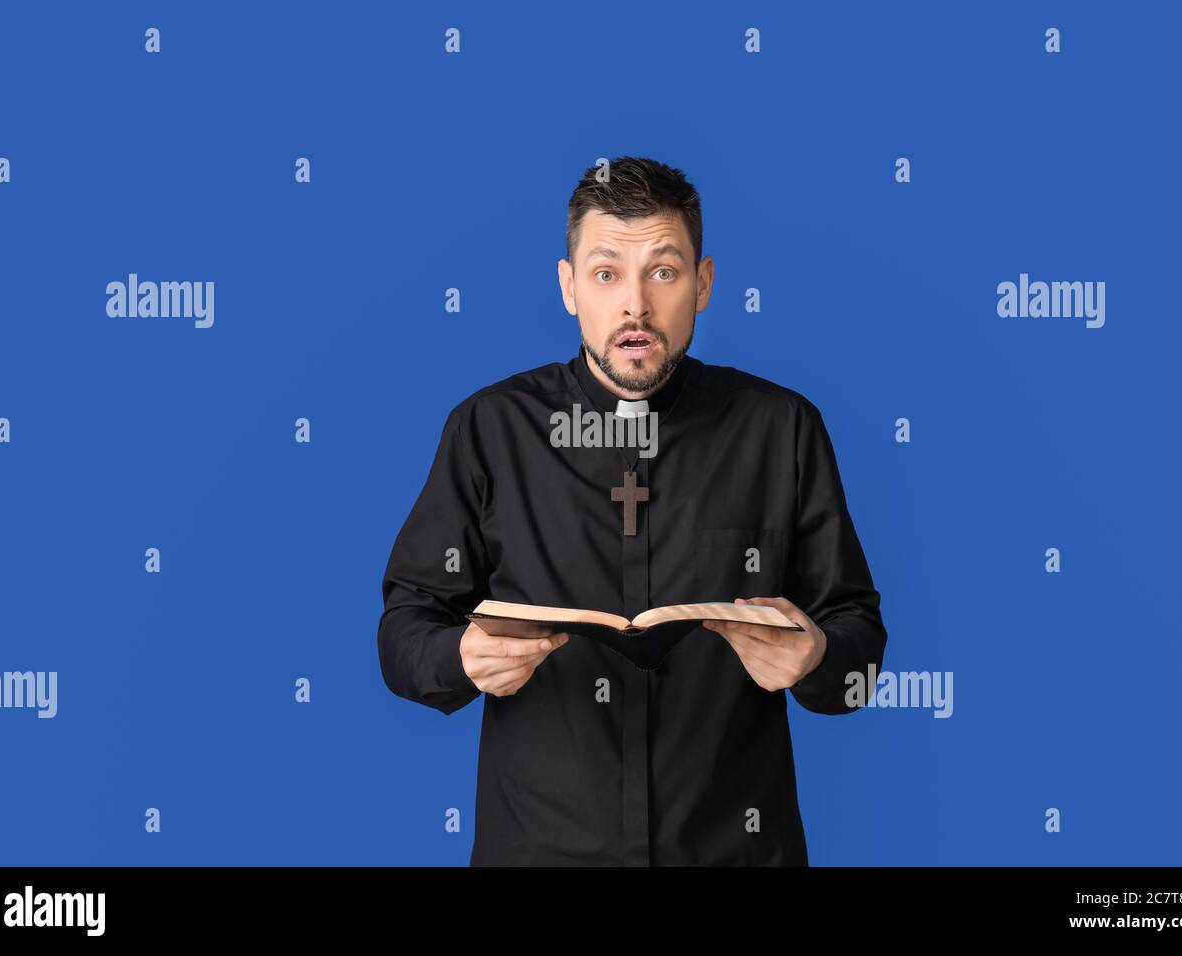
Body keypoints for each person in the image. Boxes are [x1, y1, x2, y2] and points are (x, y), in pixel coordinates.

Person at [377, 156, 887, 865]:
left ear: (703, 284)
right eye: (607, 273)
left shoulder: (782, 429)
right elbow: (403, 631)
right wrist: (458, 657)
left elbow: (858, 636)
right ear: (568, 287)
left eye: (664, 272)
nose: (636, 308)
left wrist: (818, 657)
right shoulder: (489, 431)